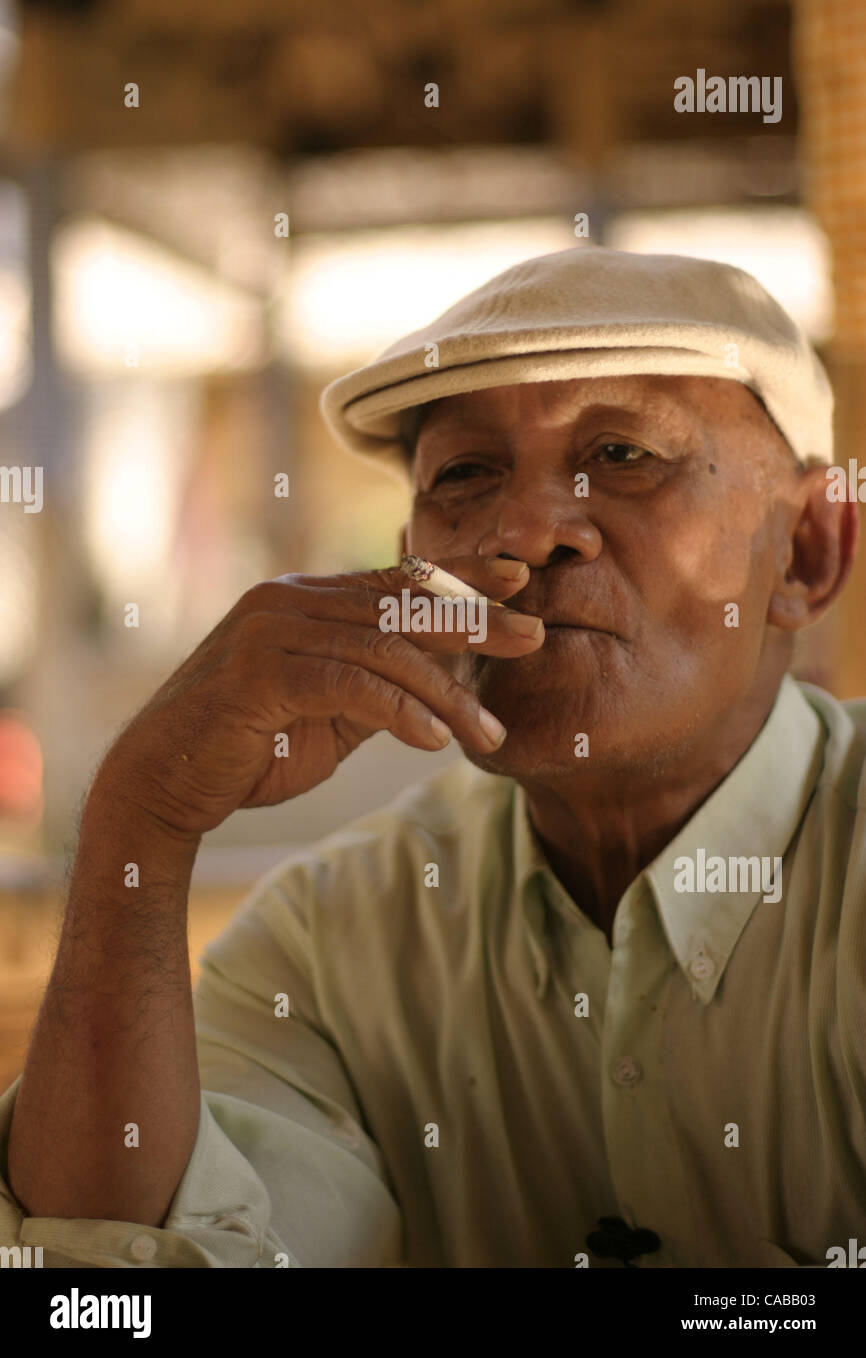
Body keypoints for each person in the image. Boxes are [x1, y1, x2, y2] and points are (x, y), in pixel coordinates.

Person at [1, 248, 864, 1268]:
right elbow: (106, 1295)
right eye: (464, 473)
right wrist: (140, 818)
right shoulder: (330, 943)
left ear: (806, 549)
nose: (528, 528)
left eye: (624, 454)